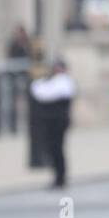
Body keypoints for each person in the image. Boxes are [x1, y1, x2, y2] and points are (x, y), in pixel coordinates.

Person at [30, 59, 76, 188]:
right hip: (51, 121)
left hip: (58, 121)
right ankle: (58, 177)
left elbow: (43, 93)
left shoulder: (64, 82)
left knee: (57, 149)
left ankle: (60, 178)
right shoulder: (55, 81)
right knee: (53, 149)